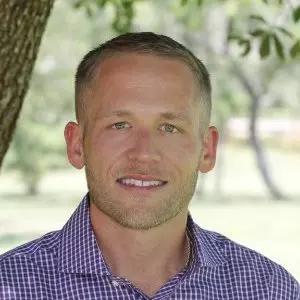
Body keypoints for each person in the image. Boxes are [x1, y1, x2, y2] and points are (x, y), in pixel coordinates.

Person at [0, 32, 299, 300]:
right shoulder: (10, 286)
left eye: (169, 128)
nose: (144, 154)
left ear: (207, 150)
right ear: (76, 144)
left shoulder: (269, 289)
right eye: (120, 125)